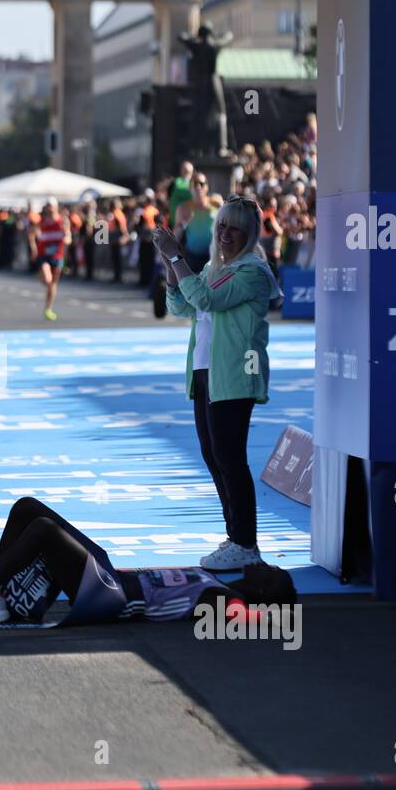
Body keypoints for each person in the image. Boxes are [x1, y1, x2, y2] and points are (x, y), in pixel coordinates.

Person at [0, 496, 295, 630]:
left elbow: (255, 621)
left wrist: (278, 611)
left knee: (45, 529)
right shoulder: (218, 583)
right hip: (110, 575)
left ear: (262, 590)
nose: (268, 565)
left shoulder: (223, 601)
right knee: (27, 508)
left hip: (111, 599)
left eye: (272, 574)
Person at [157, 195, 284, 571]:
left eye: (235, 227)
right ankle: (235, 537)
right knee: (214, 456)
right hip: (206, 370)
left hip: (234, 372)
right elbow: (182, 306)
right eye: (222, 226)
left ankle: (245, 541)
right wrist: (170, 265)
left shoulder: (253, 272)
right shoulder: (216, 265)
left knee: (230, 457)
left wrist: (178, 258)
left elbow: (207, 301)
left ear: (250, 233)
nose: (226, 233)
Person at [30, 197, 69, 321]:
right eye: (48, 205)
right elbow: (31, 234)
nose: (50, 208)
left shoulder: (62, 221)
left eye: (52, 205)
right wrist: (34, 248)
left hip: (57, 255)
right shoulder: (41, 221)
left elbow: (68, 235)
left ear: (56, 207)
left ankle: (48, 308)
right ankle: (40, 274)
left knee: (53, 283)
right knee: (48, 280)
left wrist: (67, 239)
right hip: (44, 254)